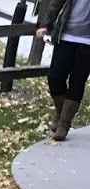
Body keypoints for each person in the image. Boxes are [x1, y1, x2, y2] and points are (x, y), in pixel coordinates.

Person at [37, 0, 90, 140]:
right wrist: (45, 25)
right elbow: (56, 3)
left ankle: (64, 125)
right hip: (65, 35)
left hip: (87, 42)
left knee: (78, 80)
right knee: (55, 77)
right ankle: (61, 112)